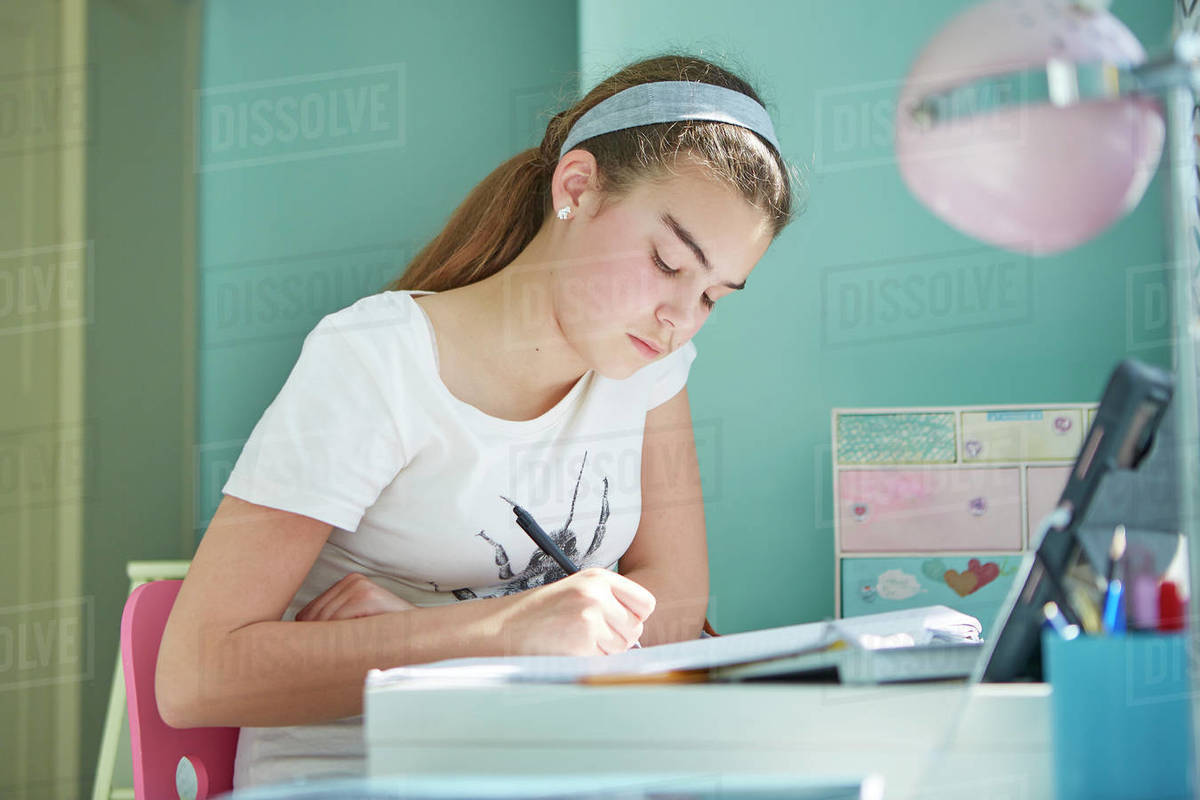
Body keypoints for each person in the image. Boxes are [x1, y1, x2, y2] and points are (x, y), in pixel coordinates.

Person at [156, 52, 800, 790]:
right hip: (357, 776)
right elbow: (196, 674)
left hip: (538, 764)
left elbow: (677, 605)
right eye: (665, 261)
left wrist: (428, 638)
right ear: (577, 187)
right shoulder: (374, 361)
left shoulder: (648, 366)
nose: (680, 319)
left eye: (715, 296)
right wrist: (500, 633)